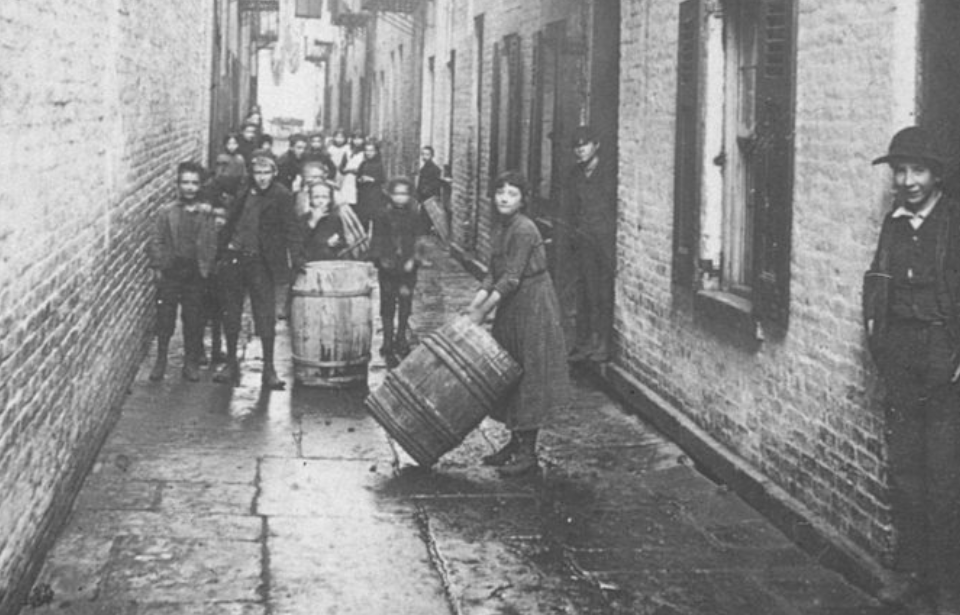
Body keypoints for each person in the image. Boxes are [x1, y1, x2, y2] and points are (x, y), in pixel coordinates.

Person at [865, 126, 960, 615]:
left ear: (937, 175)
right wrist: (880, 345)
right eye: (900, 171)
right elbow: (877, 288)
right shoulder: (893, 225)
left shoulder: (953, 223)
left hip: (944, 357)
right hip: (902, 356)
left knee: (944, 479)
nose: (907, 180)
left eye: (917, 169)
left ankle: (947, 586)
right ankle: (914, 576)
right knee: (906, 475)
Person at [467, 171, 569, 477]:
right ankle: (515, 442)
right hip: (513, 303)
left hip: (533, 303)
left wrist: (482, 313)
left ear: (523, 200)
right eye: (500, 192)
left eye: (512, 194)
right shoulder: (502, 227)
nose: (504, 198)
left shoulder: (524, 229)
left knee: (530, 373)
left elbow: (511, 277)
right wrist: (474, 305)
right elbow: (493, 272)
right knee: (510, 368)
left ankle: (528, 453)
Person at [214, 149, 303, 390]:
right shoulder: (244, 189)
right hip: (235, 258)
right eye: (258, 172)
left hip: (262, 262)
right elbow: (218, 191)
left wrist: (296, 260)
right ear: (251, 173)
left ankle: (269, 368)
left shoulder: (282, 195)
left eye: (267, 172)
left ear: (274, 173)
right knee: (231, 313)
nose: (262, 177)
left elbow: (292, 229)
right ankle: (231, 363)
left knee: (264, 315)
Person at [148, 162, 220, 382]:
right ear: (178, 185)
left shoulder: (206, 213)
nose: (190, 188)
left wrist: (207, 268)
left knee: (193, 318)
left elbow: (212, 242)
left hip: (195, 273)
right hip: (172, 271)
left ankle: (190, 362)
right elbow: (157, 241)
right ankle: (161, 360)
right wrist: (160, 266)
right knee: (165, 318)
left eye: (194, 183)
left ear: (200, 186)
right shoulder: (166, 212)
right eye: (185, 183)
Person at [563, 125, 616, 364]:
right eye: (577, 146)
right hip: (583, 240)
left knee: (602, 292)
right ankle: (583, 342)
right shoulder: (575, 174)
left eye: (584, 145)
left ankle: (603, 343)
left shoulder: (609, 172)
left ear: (596, 145)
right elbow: (572, 208)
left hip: (603, 243)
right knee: (584, 289)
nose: (580, 150)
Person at [370, 177, 421, 367]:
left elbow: (419, 239)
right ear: (390, 195)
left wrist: (413, 260)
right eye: (397, 193)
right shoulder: (382, 214)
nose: (401, 198)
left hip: (407, 267)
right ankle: (388, 340)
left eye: (405, 194)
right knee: (387, 302)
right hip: (388, 266)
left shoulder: (415, 215)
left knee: (405, 301)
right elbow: (377, 239)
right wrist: (381, 259)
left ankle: (401, 337)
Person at [300, 182, 345, 262]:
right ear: (310, 199)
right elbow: (301, 241)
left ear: (330, 199)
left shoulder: (334, 218)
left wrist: (336, 242)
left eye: (324, 197)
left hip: (329, 260)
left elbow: (343, 241)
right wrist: (313, 221)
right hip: (309, 260)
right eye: (316, 197)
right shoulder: (304, 218)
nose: (320, 201)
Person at [356, 140, 386, 229]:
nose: (368, 153)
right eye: (366, 150)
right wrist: (360, 180)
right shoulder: (363, 164)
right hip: (363, 195)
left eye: (371, 150)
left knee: (376, 219)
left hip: (374, 195)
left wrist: (371, 179)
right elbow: (357, 178)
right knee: (363, 219)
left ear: (376, 152)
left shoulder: (379, 165)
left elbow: (382, 179)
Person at [416, 145, 445, 235]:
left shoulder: (435, 170)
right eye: (423, 154)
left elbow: (435, 185)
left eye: (427, 154)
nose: (425, 157)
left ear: (432, 156)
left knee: (426, 224)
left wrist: (425, 193)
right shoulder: (423, 169)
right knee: (423, 223)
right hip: (424, 200)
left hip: (430, 201)